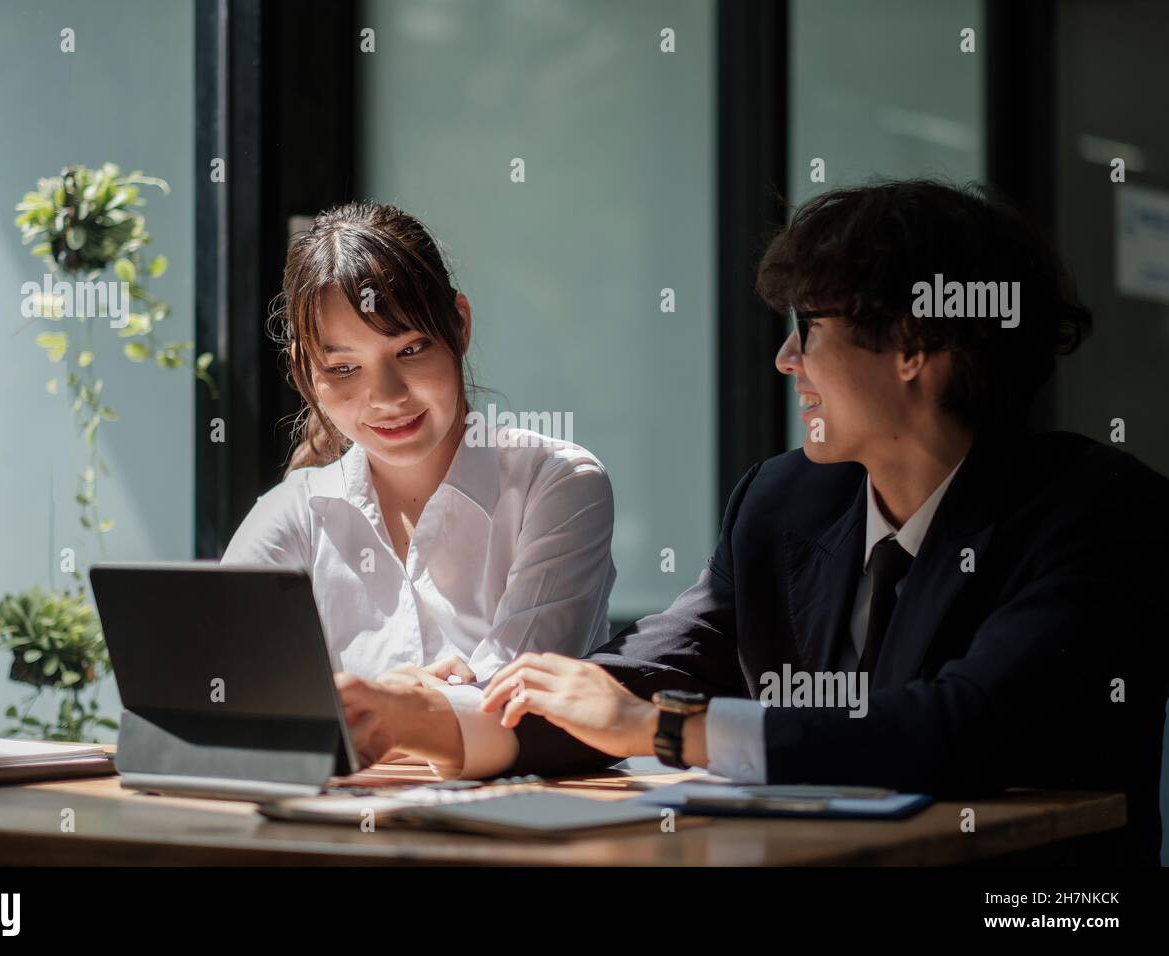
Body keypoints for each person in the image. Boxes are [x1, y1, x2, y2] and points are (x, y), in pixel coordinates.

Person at [337, 180, 1169, 865]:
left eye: (808, 329)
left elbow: (958, 728)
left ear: (915, 344)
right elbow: (648, 668)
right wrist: (444, 714)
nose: (785, 360)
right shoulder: (785, 501)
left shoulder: (1096, 513)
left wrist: (667, 731)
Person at [222, 201, 616, 774]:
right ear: (306, 370)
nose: (385, 396)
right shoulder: (293, 513)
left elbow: (513, 710)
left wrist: (375, 711)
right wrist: (397, 704)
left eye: (409, 350)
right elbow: (221, 700)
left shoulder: (555, 484)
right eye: (342, 368)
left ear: (459, 325)